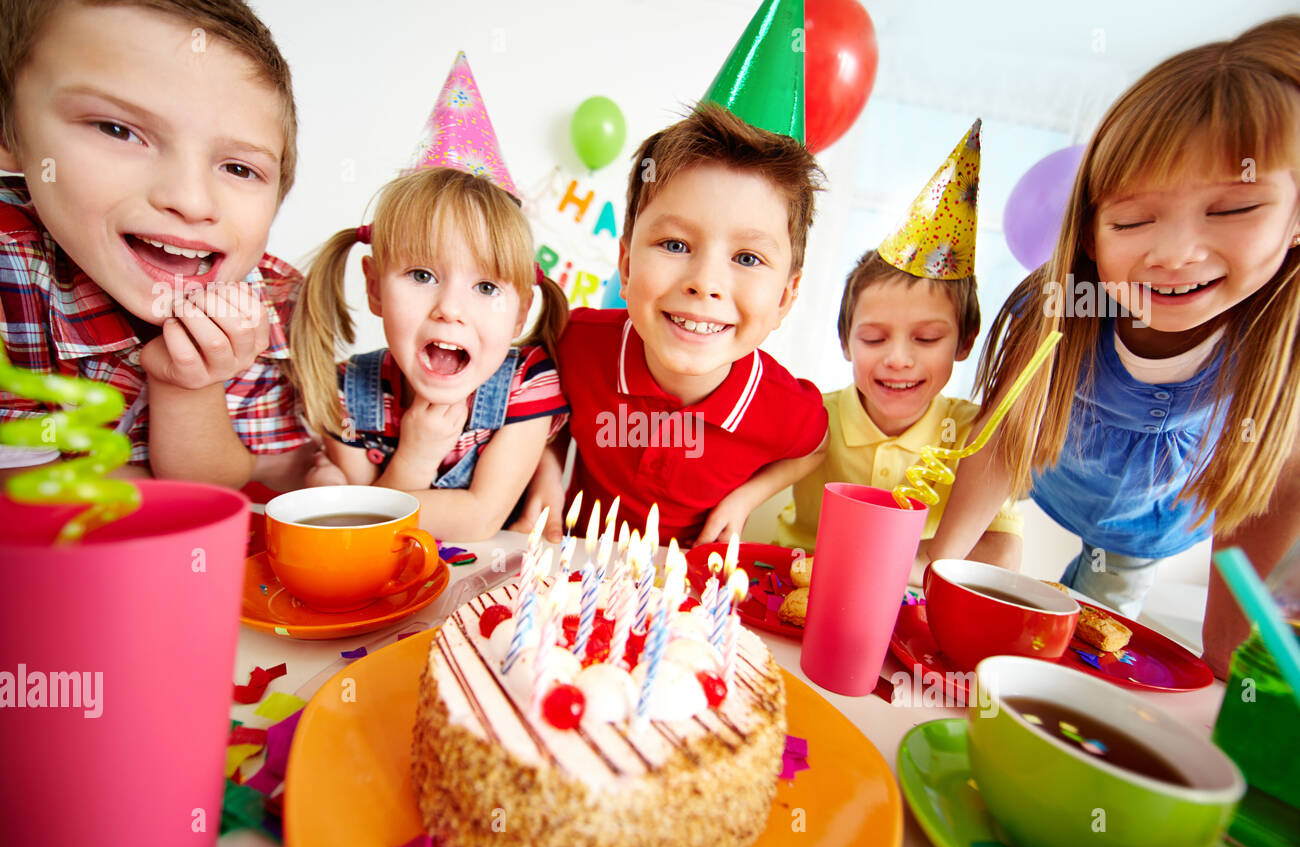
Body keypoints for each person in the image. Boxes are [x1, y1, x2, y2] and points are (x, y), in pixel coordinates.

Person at [927, 16, 1300, 678]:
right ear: (1092, 233)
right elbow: (1005, 437)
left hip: (1156, 526)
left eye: (1233, 210)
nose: (1175, 252)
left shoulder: (1281, 357)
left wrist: (1225, 667)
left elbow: (1260, 509)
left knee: (1096, 644)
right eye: (1132, 219)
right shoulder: (1060, 309)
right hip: (1056, 479)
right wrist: (938, 561)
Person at [0, 0, 314, 489]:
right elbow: (26, 501)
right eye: (118, 130)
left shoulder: (270, 296)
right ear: (9, 130)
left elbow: (218, 485)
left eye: (238, 167)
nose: (190, 201)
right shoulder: (8, 270)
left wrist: (189, 387)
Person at [517, 101, 830, 546]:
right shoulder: (574, 342)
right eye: (675, 244)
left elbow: (816, 447)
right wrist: (545, 470)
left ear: (784, 297)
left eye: (747, 258)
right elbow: (538, 399)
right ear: (625, 266)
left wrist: (745, 499)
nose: (705, 283)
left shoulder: (783, 407)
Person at [777, 123, 1022, 577]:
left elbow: (1004, 554)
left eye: (927, 339)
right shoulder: (814, 415)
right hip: (790, 586)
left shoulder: (975, 437)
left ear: (965, 341)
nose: (898, 359)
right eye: (874, 339)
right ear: (846, 341)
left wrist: (897, 562)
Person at [293, 150, 569, 539]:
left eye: (486, 287)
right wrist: (415, 459)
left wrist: (366, 504)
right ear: (374, 287)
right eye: (421, 275)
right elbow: (355, 532)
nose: (450, 309)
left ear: (521, 311)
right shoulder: (347, 394)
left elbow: (479, 519)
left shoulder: (528, 381)